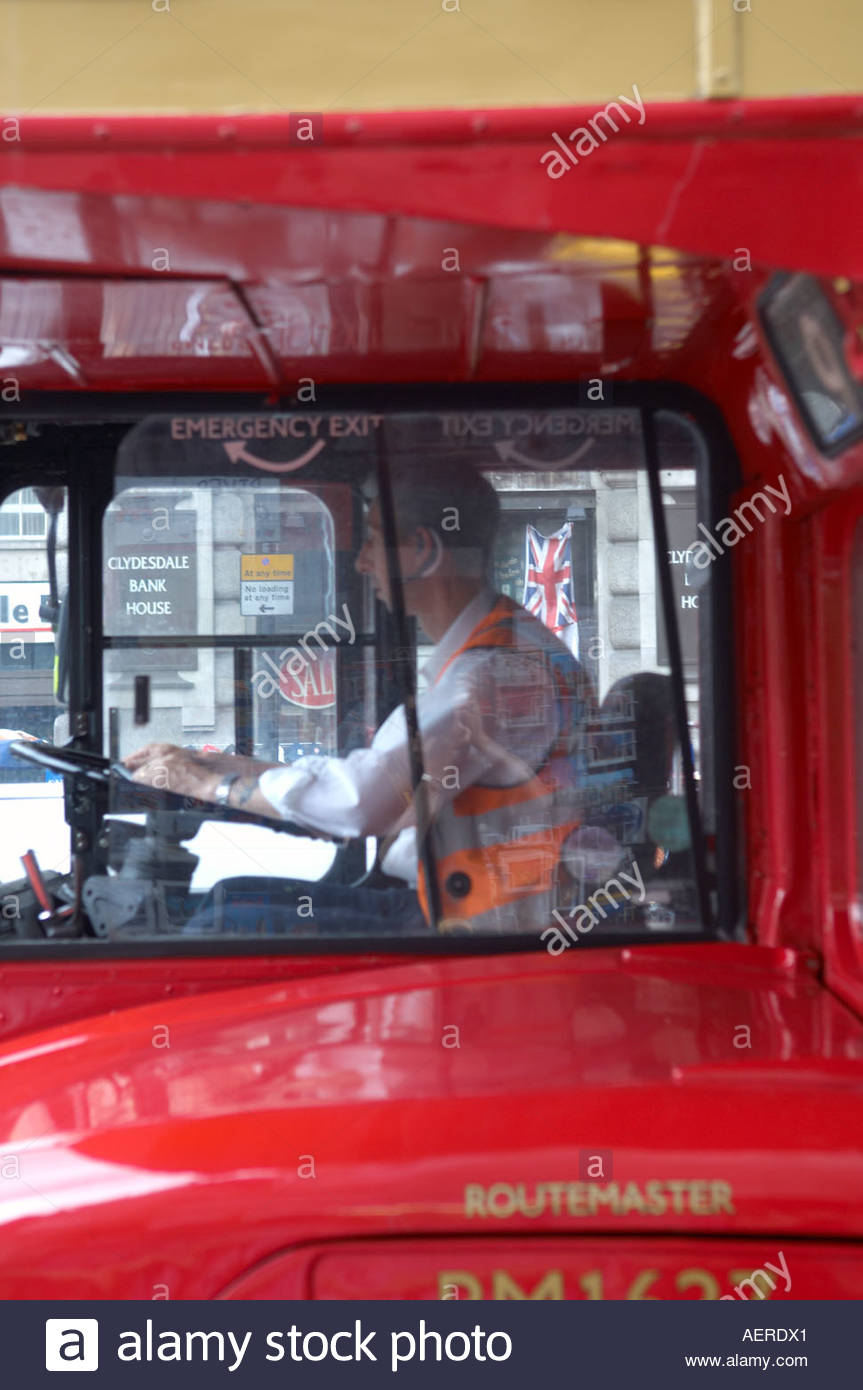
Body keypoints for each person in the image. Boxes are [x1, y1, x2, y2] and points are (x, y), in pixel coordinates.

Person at [124, 461, 594, 935]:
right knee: (231, 895)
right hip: (467, 910)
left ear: (423, 551)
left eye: (372, 539)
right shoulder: (503, 650)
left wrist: (209, 788)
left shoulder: (488, 675)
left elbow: (361, 802)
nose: (361, 561)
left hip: (473, 931)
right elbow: (381, 780)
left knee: (219, 926)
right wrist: (213, 766)